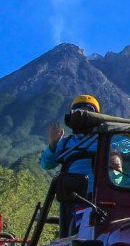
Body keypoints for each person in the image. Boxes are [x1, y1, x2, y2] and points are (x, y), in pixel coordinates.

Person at [41, 94, 102, 236]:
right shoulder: (66, 142)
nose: (82, 116)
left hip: (98, 195)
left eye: (88, 112)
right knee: (74, 232)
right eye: (78, 112)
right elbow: (47, 164)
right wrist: (53, 144)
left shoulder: (104, 139)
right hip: (72, 197)